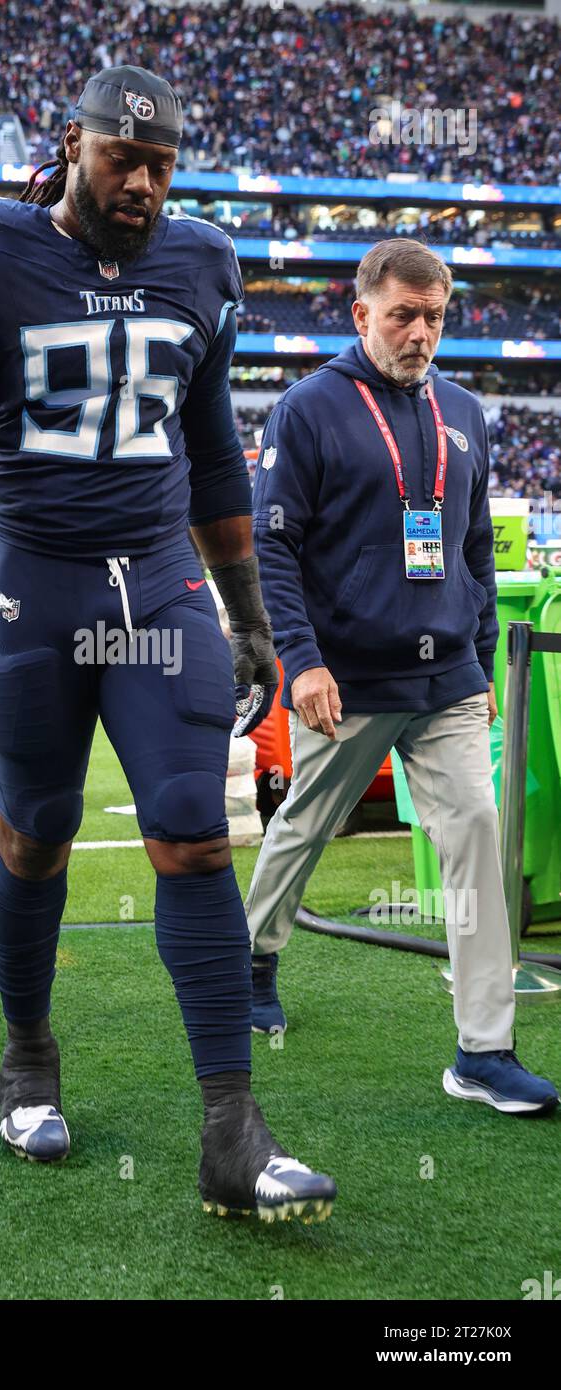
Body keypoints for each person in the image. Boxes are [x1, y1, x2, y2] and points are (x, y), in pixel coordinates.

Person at [0, 66, 337, 1225]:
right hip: (34, 584)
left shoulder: (200, 264)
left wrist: (246, 614)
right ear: (71, 147)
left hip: (163, 592)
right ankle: (27, 1052)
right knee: (37, 835)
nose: (137, 180)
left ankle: (230, 1130)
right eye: (116, 157)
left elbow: (219, 459)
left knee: (193, 835)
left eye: (158, 164)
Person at [247, 239, 558, 1117]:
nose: (420, 333)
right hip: (345, 678)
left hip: (448, 679)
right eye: (403, 316)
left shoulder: (465, 410)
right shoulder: (308, 410)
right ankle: (257, 954)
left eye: (434, 317)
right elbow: (275, 547)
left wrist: (484, 653)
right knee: (307, 823)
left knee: (475, 840)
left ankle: (484, 1051)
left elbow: (469, 550)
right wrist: (300, 663)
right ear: (361, 315)